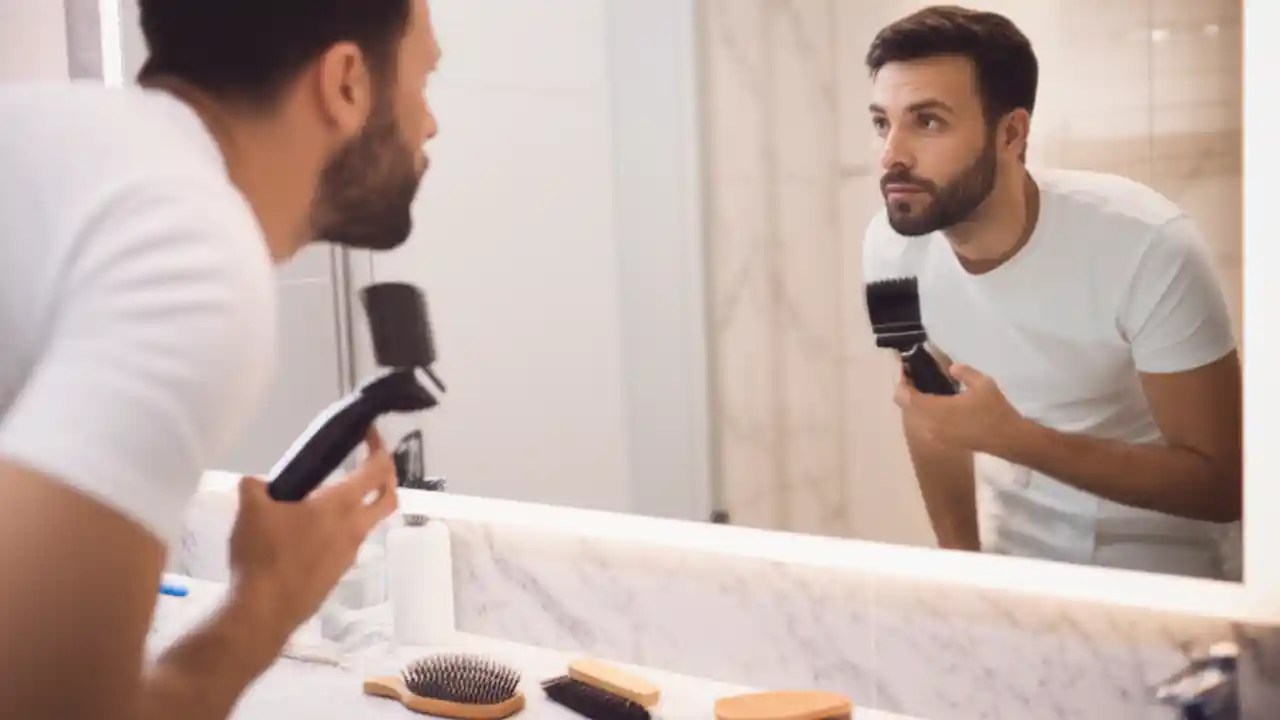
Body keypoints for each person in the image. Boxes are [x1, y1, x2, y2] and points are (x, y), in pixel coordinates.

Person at [0, 1, 440, 717]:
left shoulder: (57, 143)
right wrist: (262, 610)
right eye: (426, 79)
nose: (430, 123)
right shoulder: (188, 251)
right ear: (348, 82)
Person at [861, 6, 1242, 580]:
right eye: (882, 123)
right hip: (1016, 557)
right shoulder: (888, 248)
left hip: (1168, 567)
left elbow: (1222, 485)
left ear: (1011, 133)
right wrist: (963, 572)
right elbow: (932, 417)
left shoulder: (1148, 245)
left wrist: (1016, 439)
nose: (892, 154)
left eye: (928, 121)